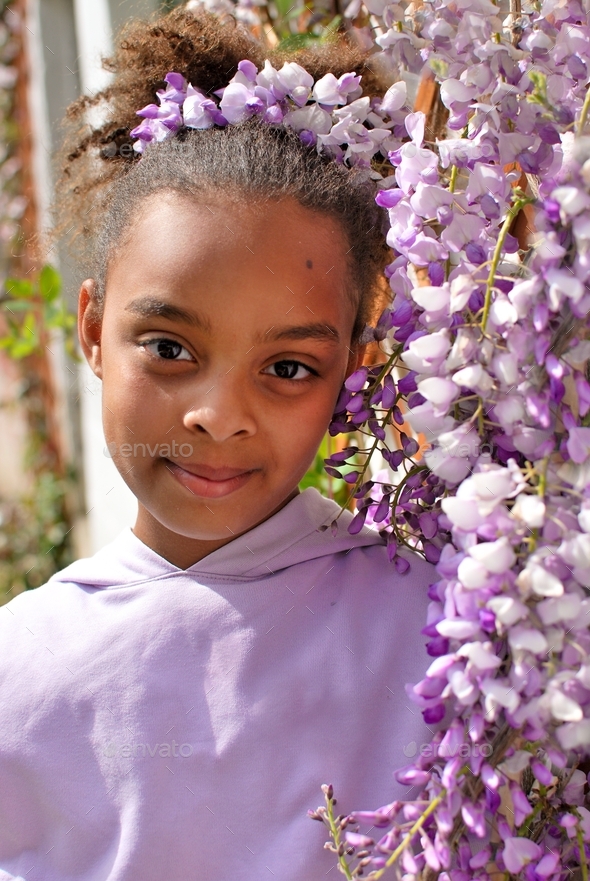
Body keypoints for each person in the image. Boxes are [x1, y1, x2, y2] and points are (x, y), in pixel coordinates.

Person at [0, 7, 437, 880]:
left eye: (286, 367)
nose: (217, 414)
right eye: (169, 349)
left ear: (355, 363)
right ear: (91, 329)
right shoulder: (19, 670)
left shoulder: (442, 624)